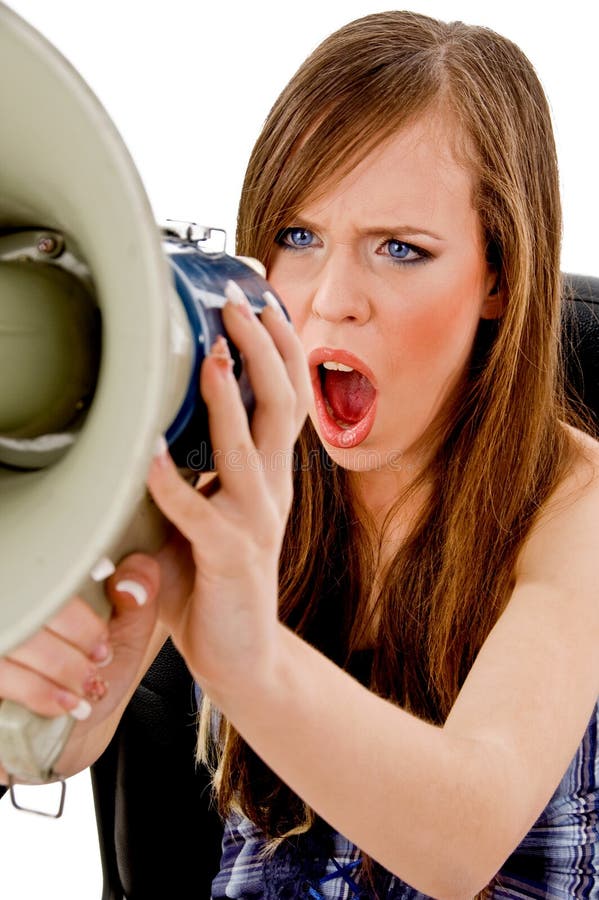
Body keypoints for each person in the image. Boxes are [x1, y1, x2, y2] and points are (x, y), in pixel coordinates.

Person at [1, 10, 598, 898]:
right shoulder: (222, 466)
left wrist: (244, 657)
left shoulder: (574, 510)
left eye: (400, 250)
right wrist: (38, 684)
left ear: (499, 276)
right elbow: (68, 744)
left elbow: (461, 838)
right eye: (297, 237)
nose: (328, 300)